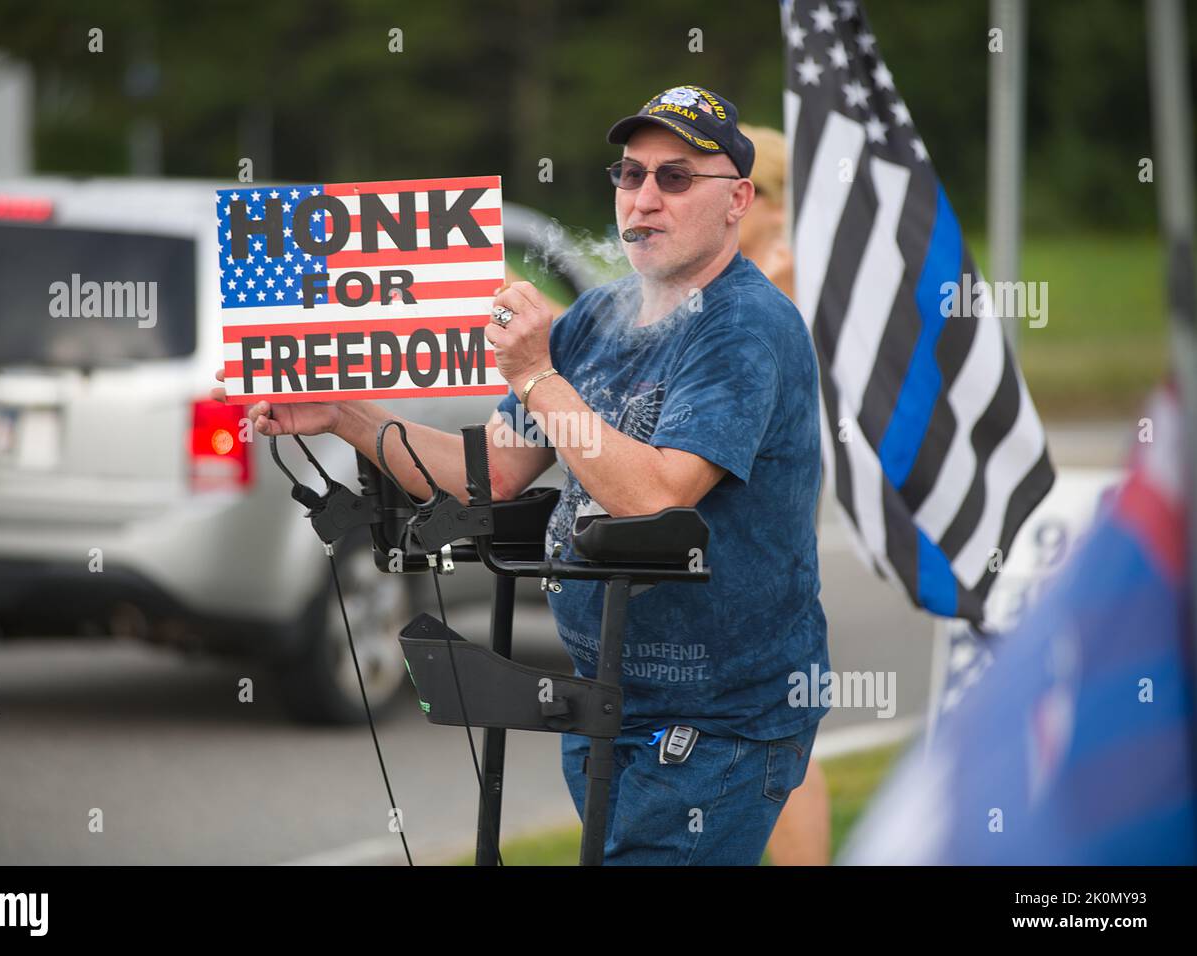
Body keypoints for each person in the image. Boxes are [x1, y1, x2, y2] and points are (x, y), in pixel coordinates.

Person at [213, 84, 830, 865]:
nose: (645, 197)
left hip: (716, 717)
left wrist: (538, 373)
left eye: (675, 178)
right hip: (610, 695)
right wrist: (345, 417)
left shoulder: (745, 325)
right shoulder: (602, 315)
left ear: (738, 198)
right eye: (631, 175)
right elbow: (492, 473)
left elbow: (657, 495)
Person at [737, 123, 833, 867]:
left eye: (750, 190)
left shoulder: (786, 273)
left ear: (771, 200)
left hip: (774, 478)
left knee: (779, 711)